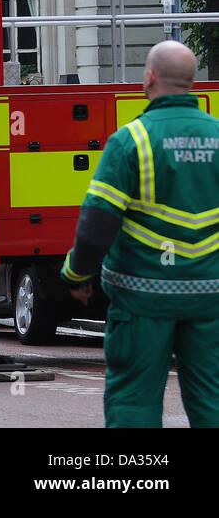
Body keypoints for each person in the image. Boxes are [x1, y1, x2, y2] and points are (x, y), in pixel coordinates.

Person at [61, 40, 219, 427]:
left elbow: (97, 224)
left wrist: (76, 275)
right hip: (212, 298)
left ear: (149, 78)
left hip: (142, 299)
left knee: (134, 402)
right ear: (192, 82)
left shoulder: (131, 141)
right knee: (213, 400)